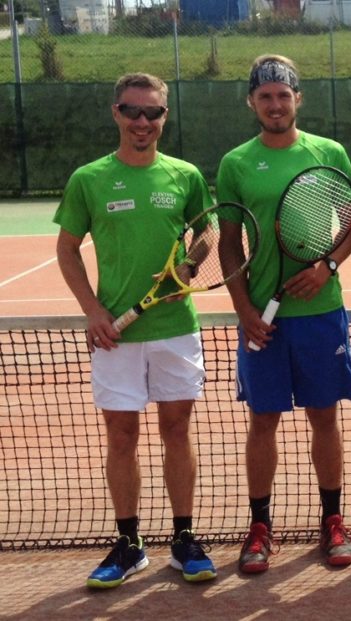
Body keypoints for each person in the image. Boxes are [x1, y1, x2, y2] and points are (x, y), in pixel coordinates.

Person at [54, 73, 217, 588]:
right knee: (121, 437)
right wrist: (92, 310)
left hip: (175, 329)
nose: (143, 122)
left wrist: (187, 268)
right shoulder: (90, 179)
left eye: (154, 113)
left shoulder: (186, 175)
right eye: (133, 111)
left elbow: (205, 233)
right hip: (116, 336)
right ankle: (128, 544)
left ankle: (184, 539)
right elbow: (66, 248)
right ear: (116, 113)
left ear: (165, 118)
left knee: (176, 432)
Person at [216, 54, 351, 573]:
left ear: (297, 99)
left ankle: (333, 519)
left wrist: (327, 266)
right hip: (263, 317)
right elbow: (229, 244)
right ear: (252, 102)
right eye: (265, 97)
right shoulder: (235, 163)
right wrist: (243, 308)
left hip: (321, 311)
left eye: (283, 95)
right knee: (263, 421)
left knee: (325, 417)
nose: (275, 105)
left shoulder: (329, 153)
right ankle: (260, 526)